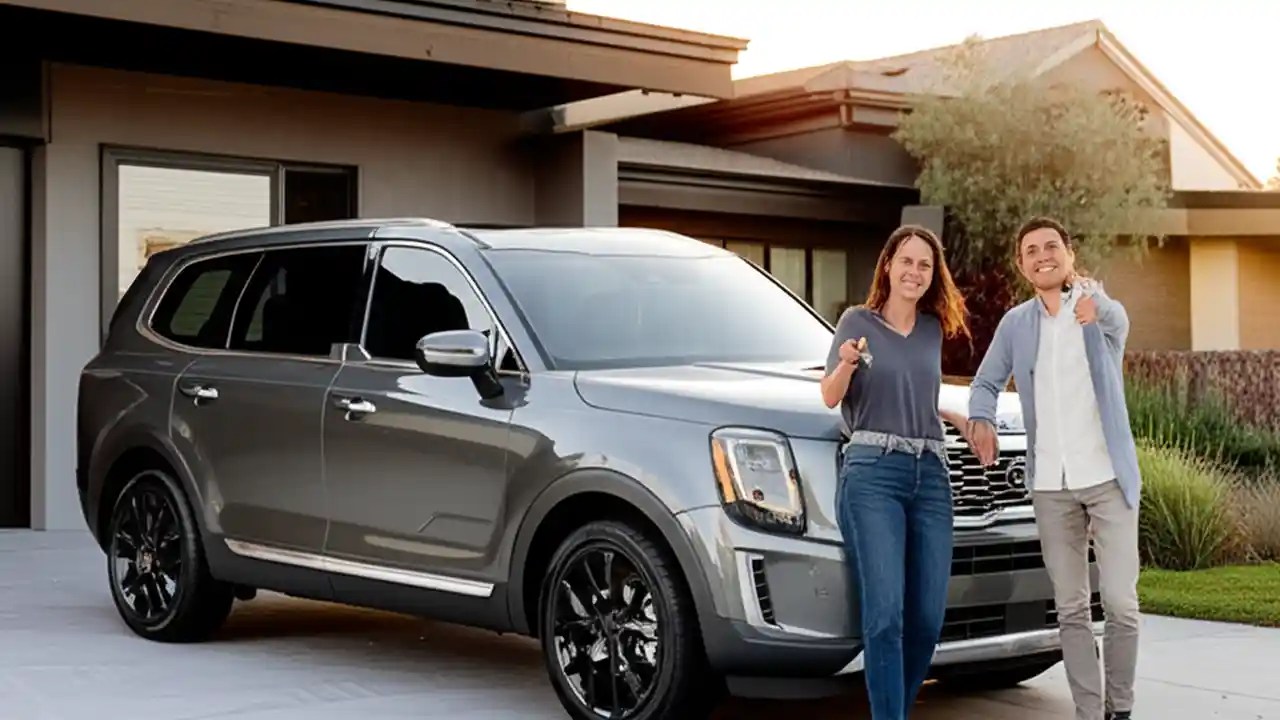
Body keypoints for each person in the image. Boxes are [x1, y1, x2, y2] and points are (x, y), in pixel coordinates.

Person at [967, 216, 1141, 720]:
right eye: (1030, 250)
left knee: (1121, 604)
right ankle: (1091, 713)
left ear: (1068, 253)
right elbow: (985, 382)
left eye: (1051, 247)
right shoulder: (1016, 324)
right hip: (1051, 487)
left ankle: (1120, 708)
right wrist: (981, 419)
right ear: (1022, 265)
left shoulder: (1095, 309)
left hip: (1107, 478)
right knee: (1071, 610)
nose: (1042, 255)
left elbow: (1117, 321)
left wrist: (1096, 307)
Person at [821, 224, 972, 720]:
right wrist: (845, 363)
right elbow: (829, 395)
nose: (914, 271)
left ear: (934, 275)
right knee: (885, 617)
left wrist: (955, 417)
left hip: (931, 475)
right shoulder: (856, 323)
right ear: (888, 264)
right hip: (872, 475)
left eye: (925, 264)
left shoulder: (931, 329)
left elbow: (917, 394)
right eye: (906, 261)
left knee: (926, 621)